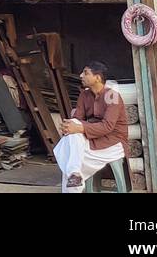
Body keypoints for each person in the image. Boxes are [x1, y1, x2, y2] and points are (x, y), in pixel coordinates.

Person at [53, 61, 128, 193]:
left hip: (112, 142)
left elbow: (107, 126)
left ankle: (74, 176)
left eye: (86, 73)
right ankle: (74, 173)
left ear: (97, 77)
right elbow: (78, 119)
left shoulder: (112, 96)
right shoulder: (84, 95)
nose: (81, 75)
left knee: (68, 151)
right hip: (93, 138)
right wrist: (68, 126)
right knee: (72, 133)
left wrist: (80, 128)